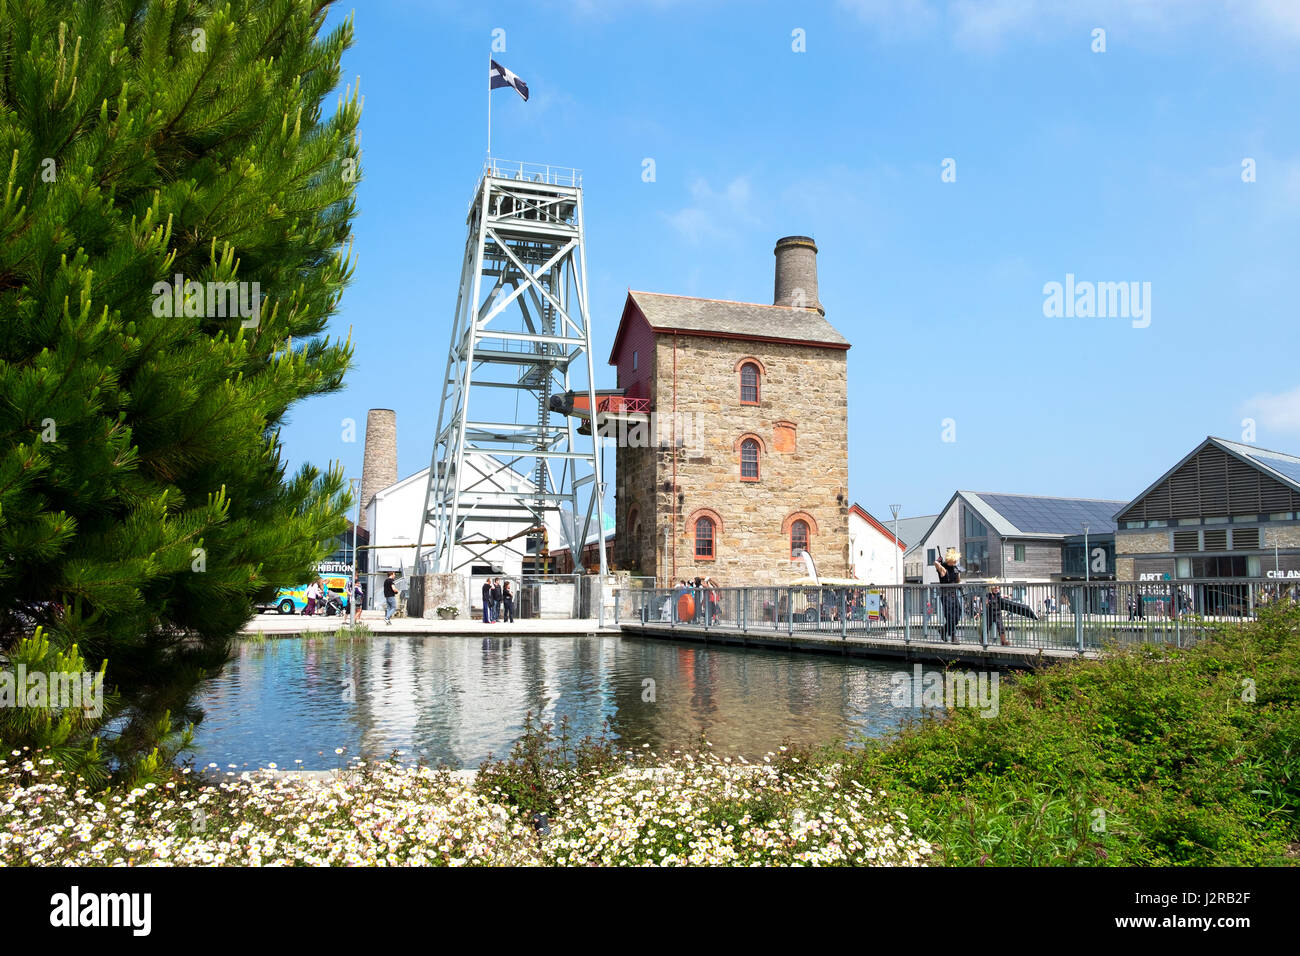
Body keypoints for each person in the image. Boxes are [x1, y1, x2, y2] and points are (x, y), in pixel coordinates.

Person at [933, 548, 961, 642]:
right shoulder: (943, 568)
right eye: (954, 561)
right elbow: (936, 564)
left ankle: (943, 630)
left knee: (957, 615)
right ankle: (953, 636)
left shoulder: (955, 568)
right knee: (949, 616)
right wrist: (938, 560)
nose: (955, 562)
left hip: (954, 594)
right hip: (946, 595)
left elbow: (958, 581)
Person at [986, 582, 1010, 646]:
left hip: (998, 613)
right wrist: (987, 602)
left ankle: (1003, 642)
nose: (996, 589)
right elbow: (985, 602)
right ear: (991, 589)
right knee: (987, 627)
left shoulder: (999, 595)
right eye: (995, 588)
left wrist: (1006, 597)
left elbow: (1002, 601)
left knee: (1001, 627)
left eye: (997, 588)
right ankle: (983, 639)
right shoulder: (989, 595)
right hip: (990, 613)